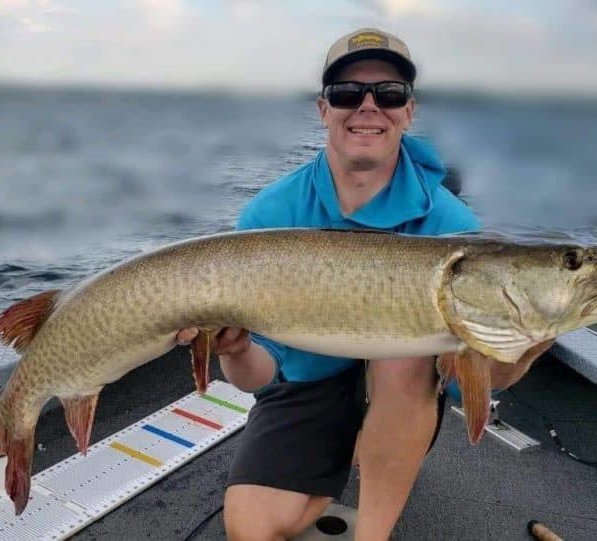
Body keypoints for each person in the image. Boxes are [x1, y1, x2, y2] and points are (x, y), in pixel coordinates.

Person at [178, 28, 484, 540]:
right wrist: (234, 349)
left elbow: (461, 378)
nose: (368, 107)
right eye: (347, 94)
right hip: (308, 380)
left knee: (407, 348)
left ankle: (374, 526)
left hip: (402, 388)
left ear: (408, 112)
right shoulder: (271, 214)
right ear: (324, 109)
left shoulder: (454, 228)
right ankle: (343, 449)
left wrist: (519, 350)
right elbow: (259, 377)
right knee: (251, 528)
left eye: (388, 94)